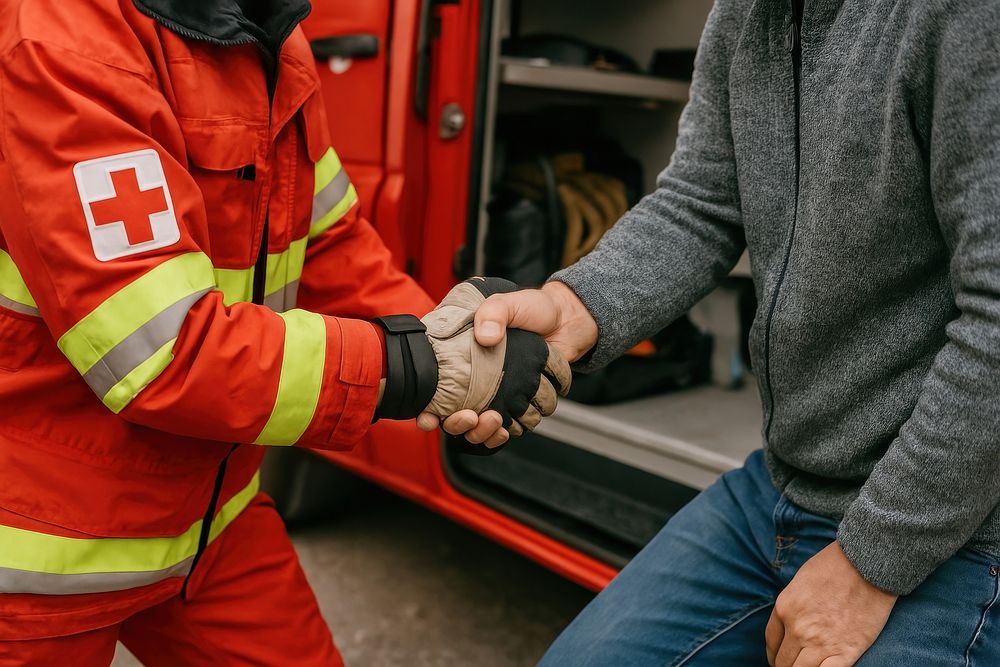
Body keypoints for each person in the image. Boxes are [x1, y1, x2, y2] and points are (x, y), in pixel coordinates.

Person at [0, 0, 567, 663]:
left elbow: (328, 244)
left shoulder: (271, 37)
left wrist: (463, 341)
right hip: (38, 548)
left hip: (212, 520)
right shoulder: (60, 40)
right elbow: (166, 352)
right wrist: (420, 368)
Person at [444, 0, 1000, 664]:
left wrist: (870, 562)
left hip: (960, 527)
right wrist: (573, 305)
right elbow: (701, 201)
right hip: (785, 484)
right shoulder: (746, 13)